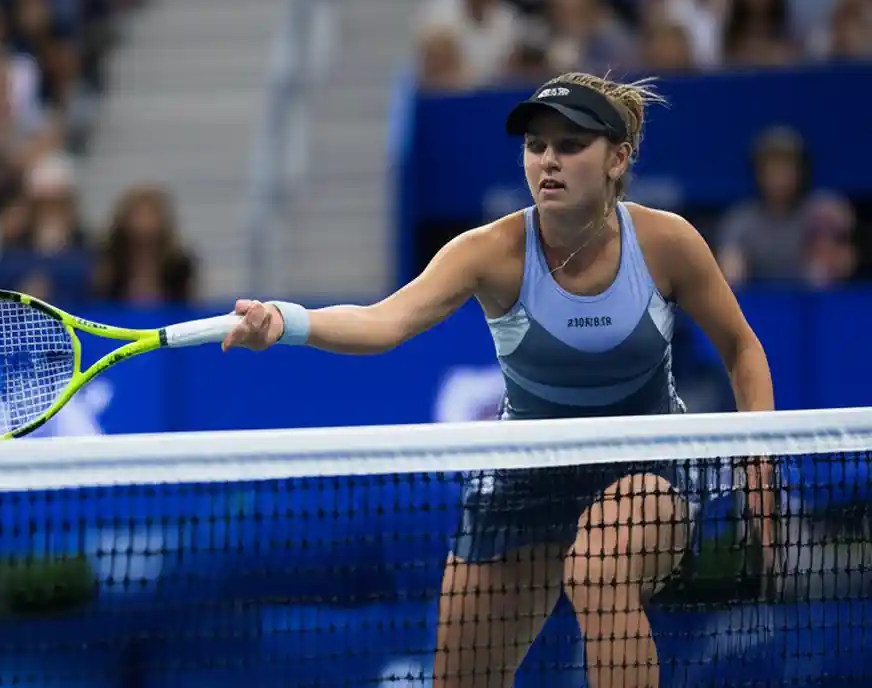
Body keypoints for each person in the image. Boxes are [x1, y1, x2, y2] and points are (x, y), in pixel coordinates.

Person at [221, 72, 776, 688]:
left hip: (643, 467)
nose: (549, 161)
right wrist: (286, 321)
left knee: (598, 571)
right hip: (524, 473)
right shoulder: (491, 251)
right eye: (537, 146)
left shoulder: (667, 243)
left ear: (617, 159)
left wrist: (761, 456)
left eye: (571, 146)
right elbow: (385, 321)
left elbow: (742, 348)